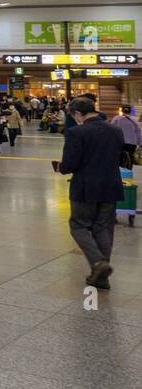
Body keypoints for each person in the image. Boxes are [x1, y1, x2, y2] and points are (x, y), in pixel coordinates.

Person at [57, 98, 124, 288]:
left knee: (78, 226)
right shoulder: (115, 130)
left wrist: (61, 168)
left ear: (78, 114)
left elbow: (70, 164)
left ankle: (98, 263)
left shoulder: (76, 132)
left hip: (85, 188)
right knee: (104, 228)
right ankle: (101, 278)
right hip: (111, 186)